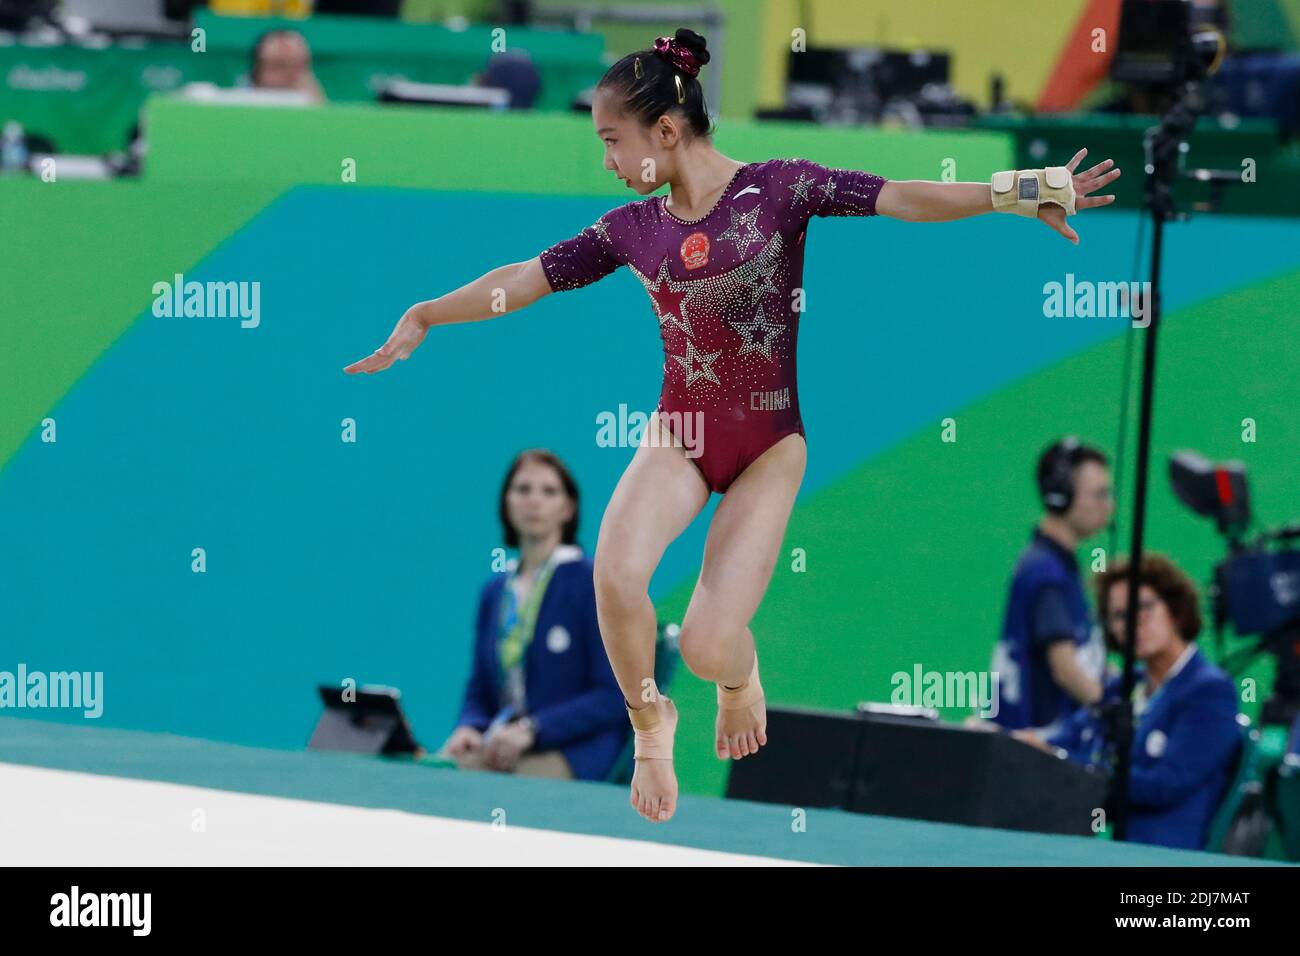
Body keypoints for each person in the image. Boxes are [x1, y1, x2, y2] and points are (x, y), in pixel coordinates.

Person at [345, 28, 1121, 822]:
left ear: (667, 132)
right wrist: (427, 314)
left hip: (769, 447)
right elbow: (524, 279)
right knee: (616, 574)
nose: (608, 161)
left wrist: (1021, 189)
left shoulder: (780, 190)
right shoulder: (630, 230)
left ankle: (739, 680)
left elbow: (904, 196)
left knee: (712, 643)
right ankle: (651, 724)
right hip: (679, 436)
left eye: (614, 141)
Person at [1017, 554, 1242, 850]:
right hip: (1095, 843)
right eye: (1119, 616)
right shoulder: (1121, 687)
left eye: (1143, 608)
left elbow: (1165, 785)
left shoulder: (1210, 691)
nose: (1132, 623)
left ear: (1175, 609)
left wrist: (1080, 768)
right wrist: (1013, 741)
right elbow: (1064, 740)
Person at [441, 450, 628, 781]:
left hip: (577, 750)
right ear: (506, 503)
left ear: (568, 509)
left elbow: (614, 694)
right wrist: (469, 726)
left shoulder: (592, 582)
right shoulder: (495, 591)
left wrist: (534, 729)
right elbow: (478, 689)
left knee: (482, 786)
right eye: (523, 489)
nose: (534, 501)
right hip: (503, 745)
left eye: (549, 491)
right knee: (437, 774)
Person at [990, 438, 1112, 733]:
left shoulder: (1052, 563)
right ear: (1061, 496)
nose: (1109, 506)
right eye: (1100, 495)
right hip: (1040, 749)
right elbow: (1066, 669)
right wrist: (1114, 715)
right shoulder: (1048, 574)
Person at [249, 30, 325, 104]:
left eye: (297, 66)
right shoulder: (239, 102)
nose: (290, 75)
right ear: (257, 71)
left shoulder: (318, 105)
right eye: (279, 65)